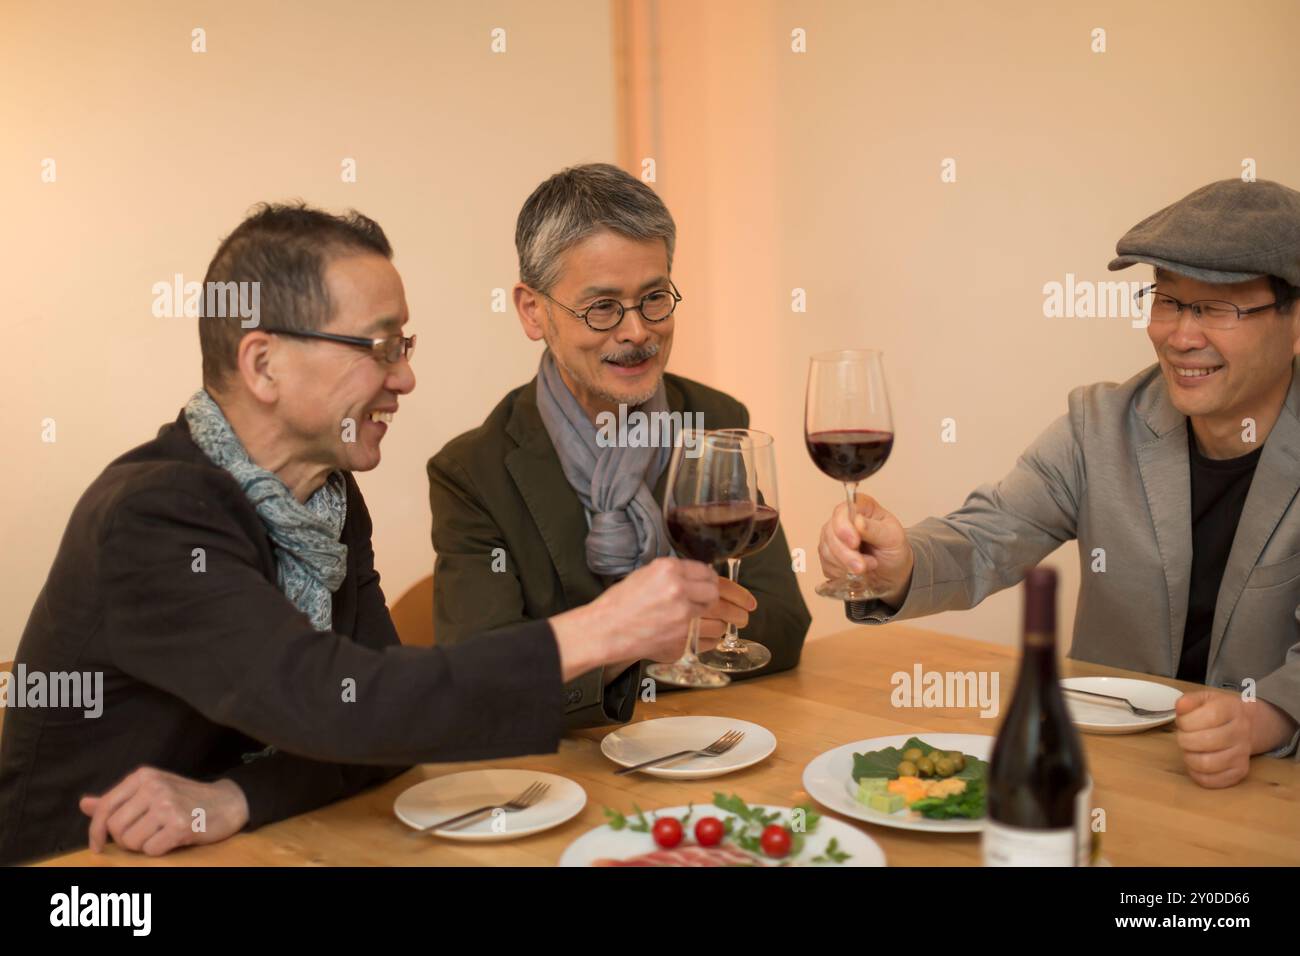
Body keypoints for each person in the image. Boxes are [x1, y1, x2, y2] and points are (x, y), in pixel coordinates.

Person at [0, 203, 720, 864]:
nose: (404, 378)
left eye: (405, 346)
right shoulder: (153, 515)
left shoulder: (329, 499)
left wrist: (237, 796)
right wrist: (598, 631)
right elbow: (336, 700)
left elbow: (380, 729)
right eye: (379, 347)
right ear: (263, 364)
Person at [818, 179, 1300, 787]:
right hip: (1107, 772)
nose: (1181, 336)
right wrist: (899, 566)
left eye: (1217, 308)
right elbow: (989, 536)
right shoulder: (1099, 426)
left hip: (1273, 788)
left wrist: (1267, 718)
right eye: (1168, 301)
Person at [428, 164, 810, 726]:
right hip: (566, 767)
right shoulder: (472, 472)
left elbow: (781, 624)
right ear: (533, 311)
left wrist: (657, 642)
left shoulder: (714, 421)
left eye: (654, 297)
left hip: (711, 743)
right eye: (602, 307)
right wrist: (631, 642)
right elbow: (481, 683)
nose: (637, 331)